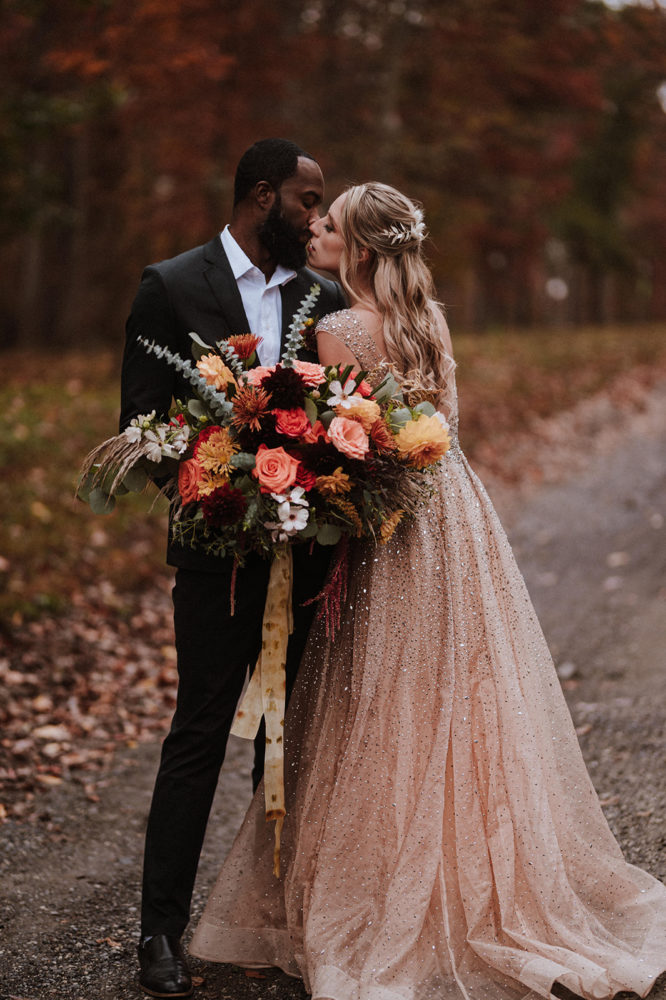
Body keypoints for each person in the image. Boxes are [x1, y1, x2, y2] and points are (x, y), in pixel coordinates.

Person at [189, 182, 666, 1000]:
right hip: (452, 510)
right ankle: (464, 864)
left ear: (360, 247)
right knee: (455, 688)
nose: (316, 229)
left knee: (376, 693)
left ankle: (388, 889)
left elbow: (343, 444)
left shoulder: (340, 328)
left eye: (331, 223)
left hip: (387, 521)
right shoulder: (429, 319)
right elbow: (447, 430)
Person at [120, 138, 346, 998]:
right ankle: (160, 933)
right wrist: (215, 486)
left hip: (309, 555)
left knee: (287, 739)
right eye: (306, 200)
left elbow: (344, 414)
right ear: (262, 196)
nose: (316, 218)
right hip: (217, 557)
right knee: (201, 733)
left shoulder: (324, 297)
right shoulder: (172, 286)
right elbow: (141, 423)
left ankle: (272, 921)